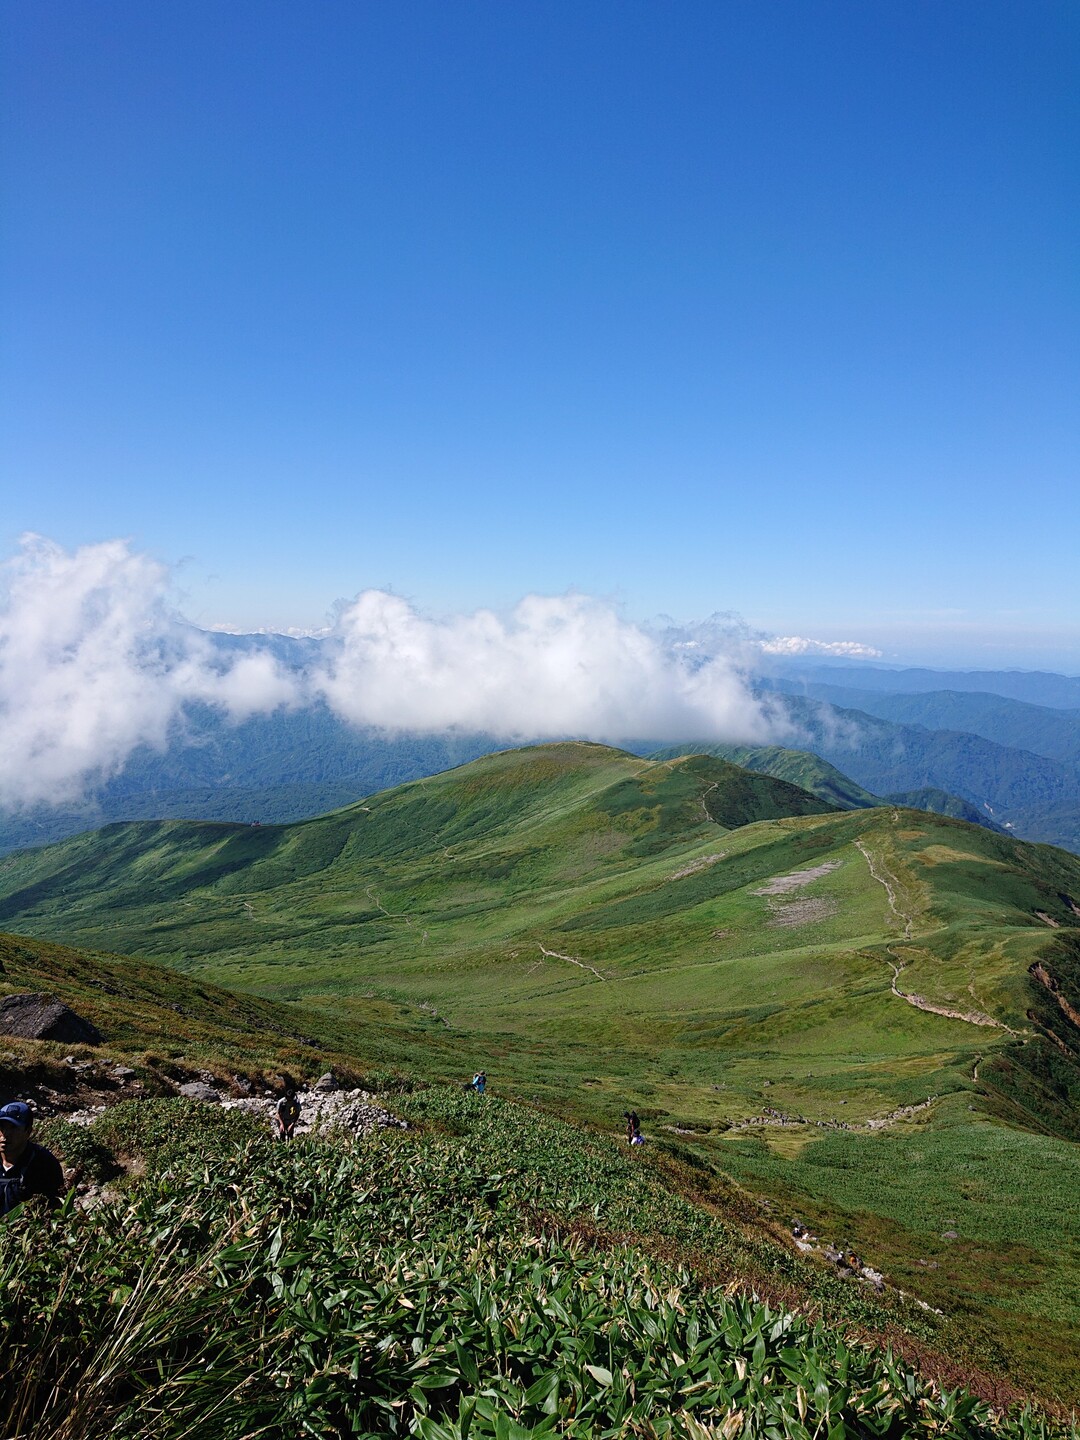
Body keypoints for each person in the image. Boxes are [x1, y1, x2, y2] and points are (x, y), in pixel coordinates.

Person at [0, 1101, 65, 1216]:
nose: (5, 1134)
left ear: (28, 1132)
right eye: (1, 1127)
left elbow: (56, 1210)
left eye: (13, 1128)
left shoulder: (44, 1164)